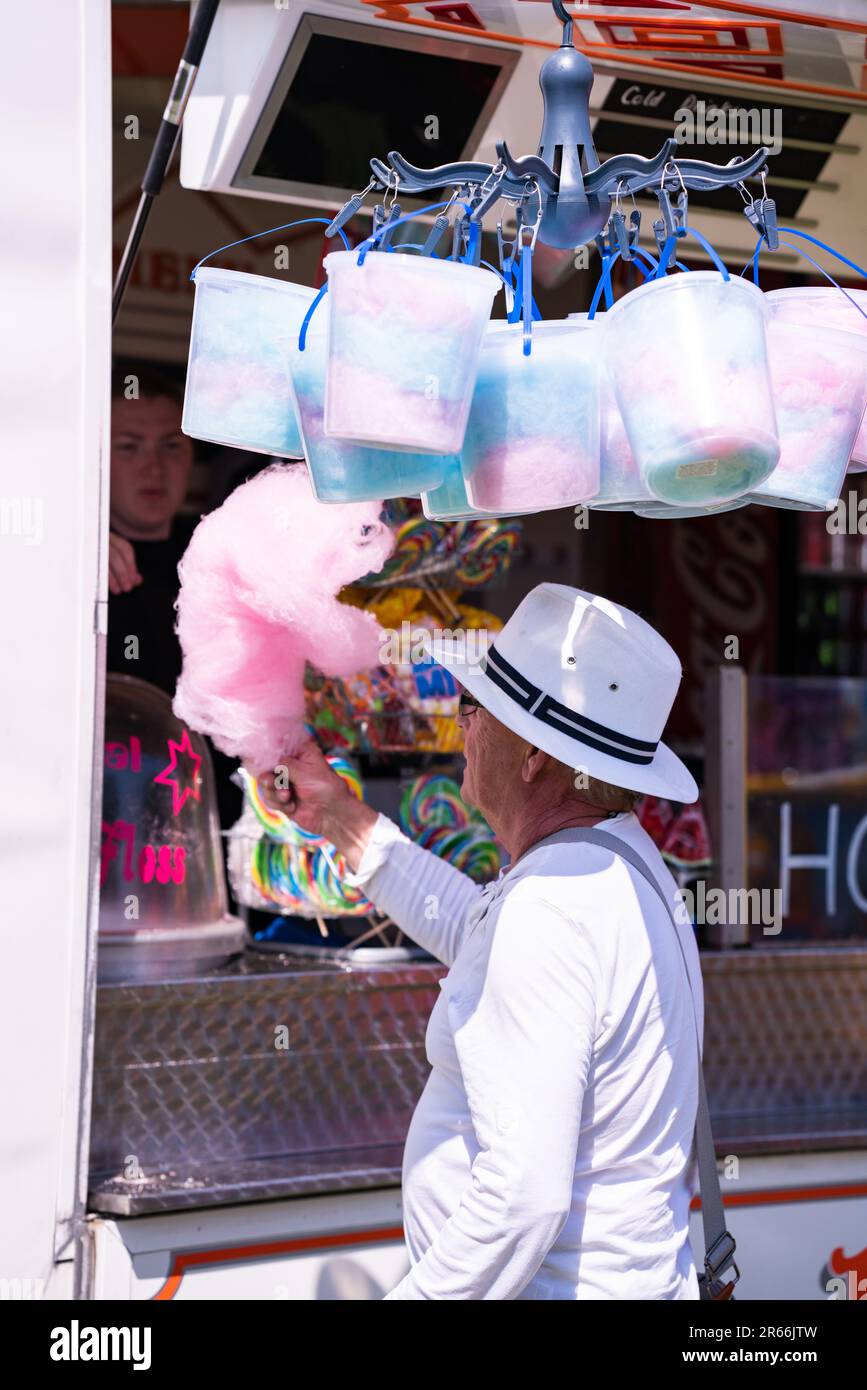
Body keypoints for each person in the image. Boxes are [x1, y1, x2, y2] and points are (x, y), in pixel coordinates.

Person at [259, 583, 711, 1300]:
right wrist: (342, 819)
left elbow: (521, 1200)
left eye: (476, 711)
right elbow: (477, 929)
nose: (464, 729)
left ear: (532, 754)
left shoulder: (554, 907)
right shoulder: (611, 865)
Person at [106, 359, 242, 836]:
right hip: (114, 826)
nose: (153, 466)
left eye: (171, 446)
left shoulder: (219, 547)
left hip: (218, 823)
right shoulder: (77, 560)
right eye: (128, 447)